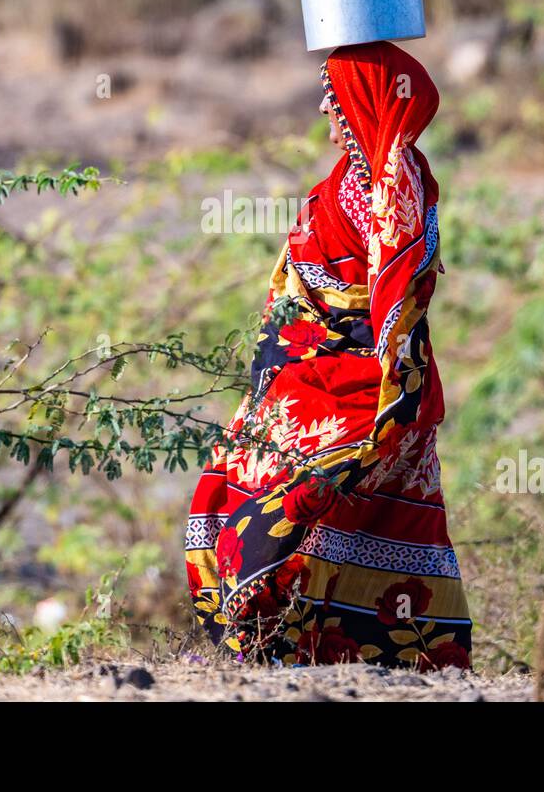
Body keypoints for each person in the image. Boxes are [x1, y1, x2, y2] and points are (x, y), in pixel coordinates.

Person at [185, 40, 472, 668]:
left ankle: (323, 656)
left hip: (358, 394)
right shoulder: (354, 180)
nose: (323, 107)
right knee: (291, 511)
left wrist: (386, 398)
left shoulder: (392, 187)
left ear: (366, 100)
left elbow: (394, 301)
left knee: (284, 516)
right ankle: (306, 658)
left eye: (334, 93)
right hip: (307, 384)